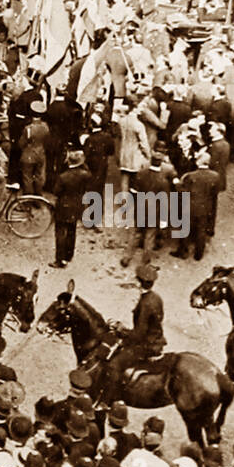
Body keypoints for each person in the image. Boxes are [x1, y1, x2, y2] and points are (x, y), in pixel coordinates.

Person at [96, 261, 166, 404]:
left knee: (114, 364)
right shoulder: (155, 297)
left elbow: (138, 334)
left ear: (140, 283)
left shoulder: (146, 303)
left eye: (136, 279)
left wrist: (121, 330)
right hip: (156, 338)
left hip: (146, 345)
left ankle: (106, 402)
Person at [53, 147, 94, 268]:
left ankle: (60, 259)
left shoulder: (63, 177)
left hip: (63, 206)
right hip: (77, 205)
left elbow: (56, 191)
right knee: (72, 230)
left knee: (60, 232)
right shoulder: (85, 175)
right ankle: (69, 255)